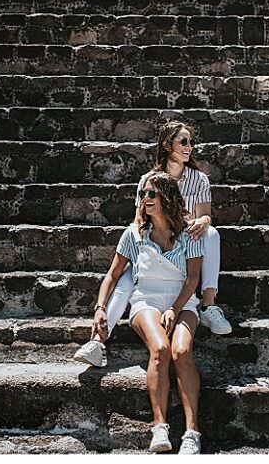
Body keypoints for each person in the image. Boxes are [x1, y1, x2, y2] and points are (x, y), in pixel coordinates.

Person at [74, 121, 231, 365]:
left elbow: (205, 214)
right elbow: (139, 219)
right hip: (150, 246)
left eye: (191, 142)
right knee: (125, 281)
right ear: (168, 145)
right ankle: (96, 343)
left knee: (210, 233)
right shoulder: (149, 179)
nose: (190, 147)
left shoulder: (199, 179)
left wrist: (200, 221)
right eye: (184, 142)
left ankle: (209, 304)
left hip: (184, 245)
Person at [76, 172, 204, 454]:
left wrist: (175, 308)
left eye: (150, 194)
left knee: (182, 351)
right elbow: (112, 275)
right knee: (160, 348)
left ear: (166, 198)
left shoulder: (190, 233)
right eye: (143, 194)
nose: (144, 199)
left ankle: (192, 432)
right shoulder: (133, 234)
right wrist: (100, 309)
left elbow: (193, 278)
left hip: (182, 302)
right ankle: (160, 427)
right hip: (146, 300)